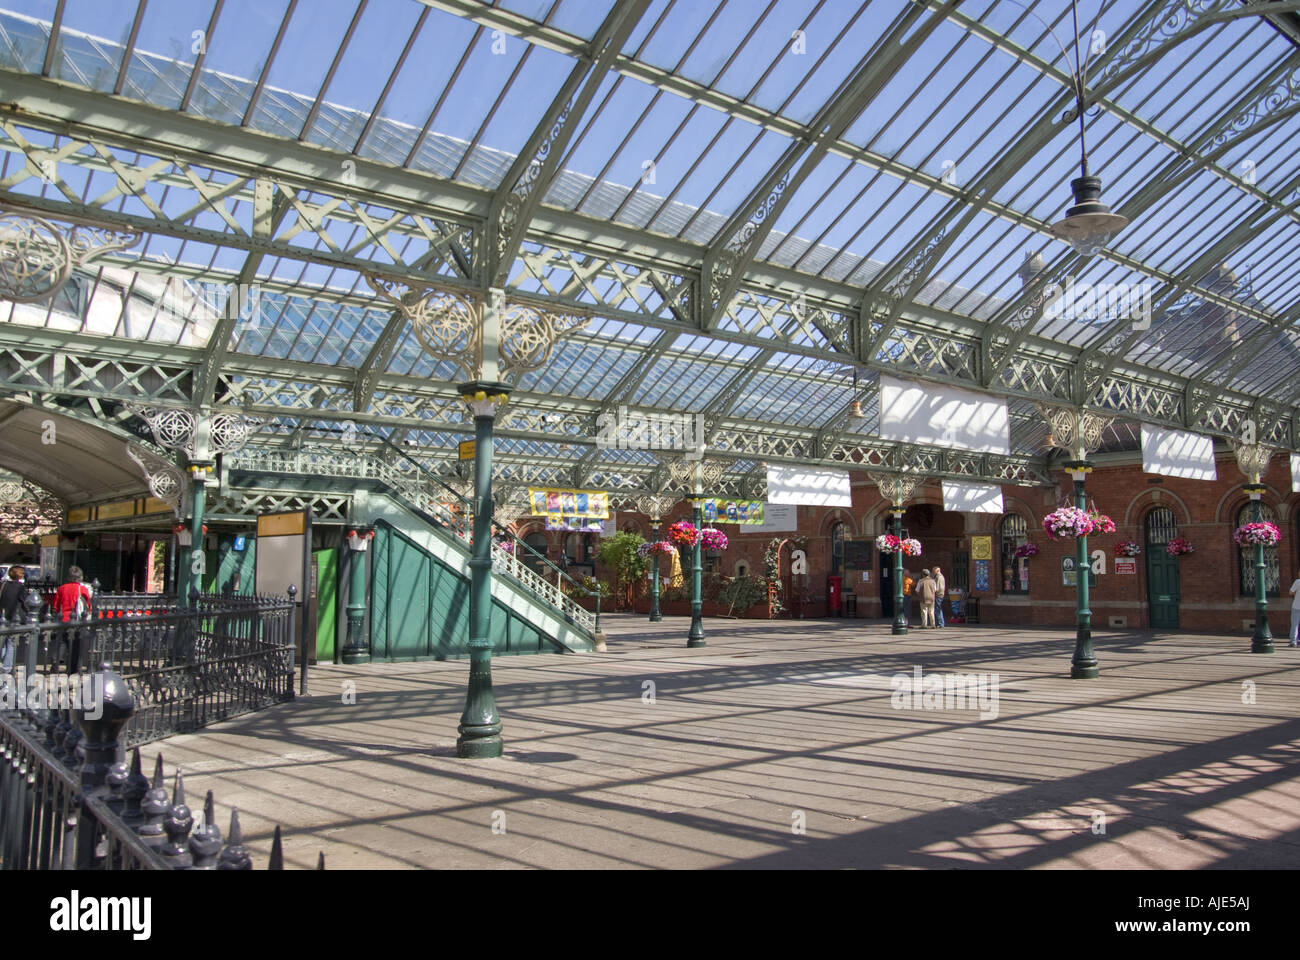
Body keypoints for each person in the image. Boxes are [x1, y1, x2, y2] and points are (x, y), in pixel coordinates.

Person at [52, 566, 93, 674]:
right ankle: (73, 669)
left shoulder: (62, 588)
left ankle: (56, 661)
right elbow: (87, 605)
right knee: (75, 645)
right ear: (80, 577)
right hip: (77, 620)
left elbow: (56, 605)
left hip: (64, 618)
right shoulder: (82, 589)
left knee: (62, 641)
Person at [0, 565, 27, 676]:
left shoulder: (3, 585)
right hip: (14, 618)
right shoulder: (21, 587)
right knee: (11, 643)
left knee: (3, 642)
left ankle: (5, 661)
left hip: (2, 616)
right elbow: (25, 602)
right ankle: (7, 667)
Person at [1290, 575, 1300, 647]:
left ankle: (1293, 642)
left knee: (1295, 624)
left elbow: (1291, 592)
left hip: (1297, 606)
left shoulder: (1298, 582)